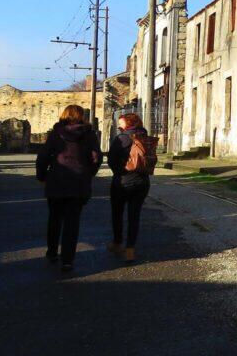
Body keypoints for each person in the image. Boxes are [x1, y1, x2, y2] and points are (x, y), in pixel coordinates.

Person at [35, 104, 101, 273]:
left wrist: (42, 176)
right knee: (72, 222)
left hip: (56, 181)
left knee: (54, 218)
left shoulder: (56, 133)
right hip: (79, 183)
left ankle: (51, 252)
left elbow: (43, 156)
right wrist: (89, 173)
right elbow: (96, 158)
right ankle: (67, 260)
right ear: (81, 117)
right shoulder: (89, 135)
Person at [107, 112, 156, 263]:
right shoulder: (145, 137)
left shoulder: (121, 138)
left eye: (121, 122)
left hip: (123, 181)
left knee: (118, 213)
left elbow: (111, 161)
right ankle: (130, 249)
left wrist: (119, 172)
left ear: (128, 123)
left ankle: (117, 243)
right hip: (142, 182)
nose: (119, 125)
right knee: (134, 216)